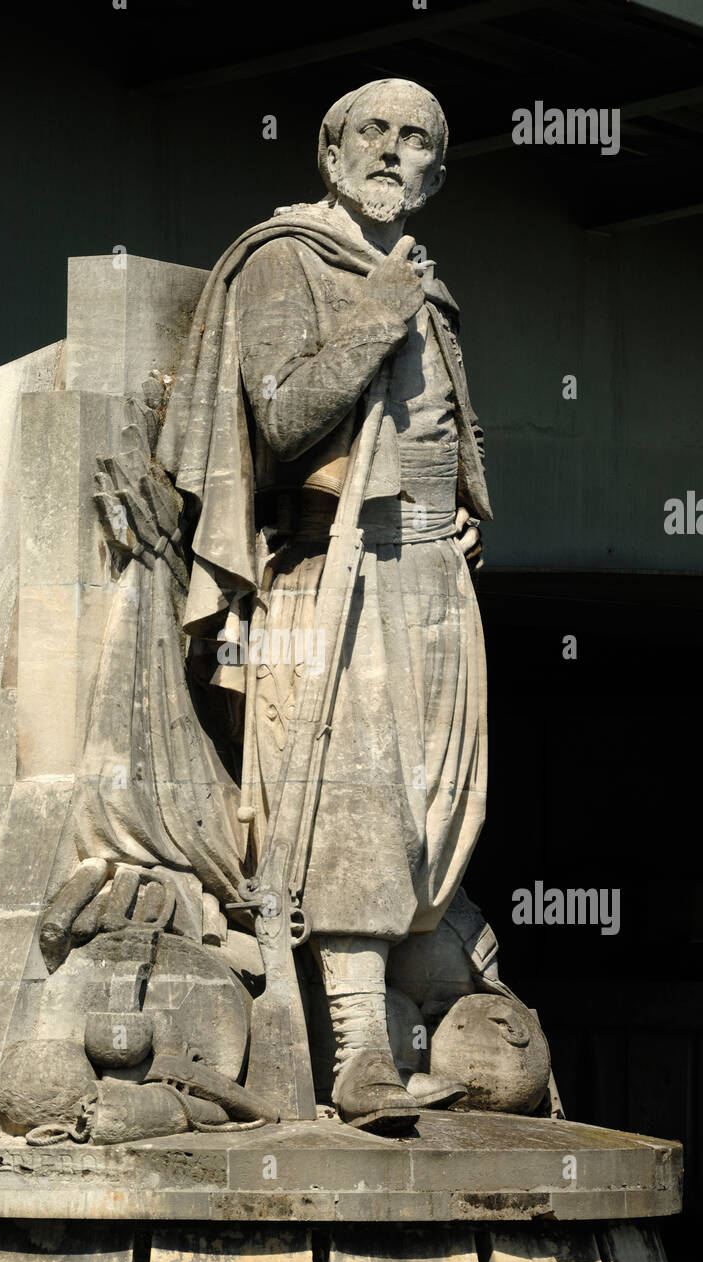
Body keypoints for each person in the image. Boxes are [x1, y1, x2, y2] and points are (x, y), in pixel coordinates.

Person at [158, 78, 491, 1131]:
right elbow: (284, 412)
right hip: (335, 569)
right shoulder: (284, 260)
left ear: (436, 171)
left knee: (429, 801)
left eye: (417, 142)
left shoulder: (422, 285)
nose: (393, 154)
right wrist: (372, 314)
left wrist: (468, 505)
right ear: (330, 149)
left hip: (430, 568)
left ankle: (390, 1015)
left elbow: (446, 424)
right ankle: (354, 1052)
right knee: (348, 788)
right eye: (374, 134)